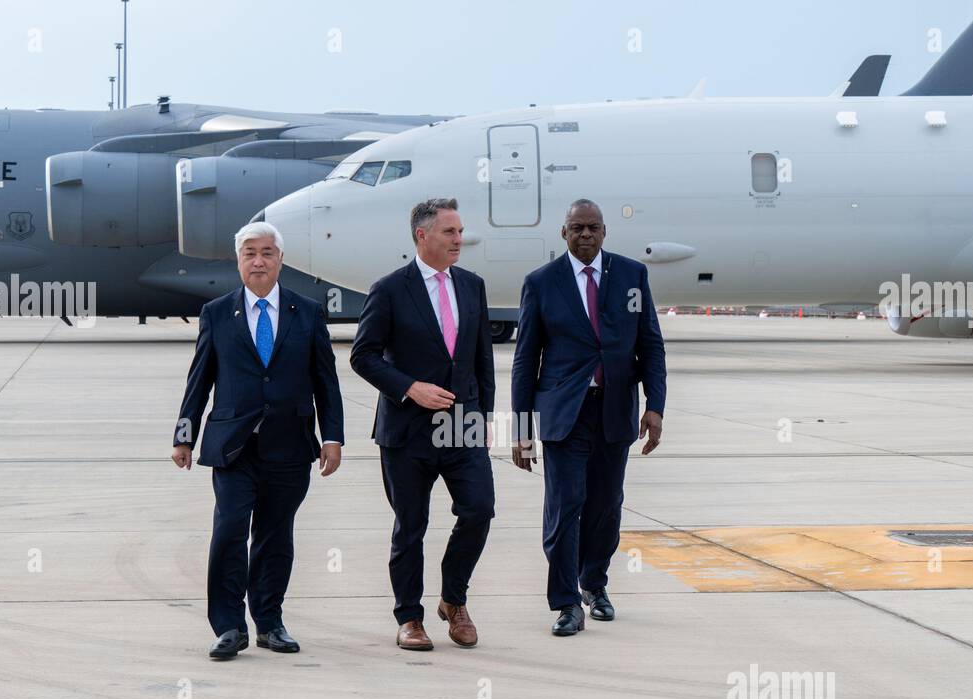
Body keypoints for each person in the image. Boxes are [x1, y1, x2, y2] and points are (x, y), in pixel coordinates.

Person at [171, 222, 343, 660]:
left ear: (280, 259)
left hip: (290, 444)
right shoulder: (216, 313)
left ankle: (269, 622)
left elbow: (326, 380)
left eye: (267, 252)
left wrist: (334, 436)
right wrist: (184, 435)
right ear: (238, 260)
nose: (259, 261)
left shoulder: (307, 312)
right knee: (229, 531)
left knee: (275, 536)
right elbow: (200, 380)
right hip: (233, 445)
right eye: (250, 253)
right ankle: (228, 626)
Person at [511, 199, 667, 635]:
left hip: (615, 411)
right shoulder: (541, 283)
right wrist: (522, 428)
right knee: (565, 507)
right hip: (564, 414)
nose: (585, 235)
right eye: (576, 227)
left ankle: (594, 585)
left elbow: (650, 344)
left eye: (593, 227)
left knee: (605, 508)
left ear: (604, 232)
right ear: (563, 233)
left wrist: (655, 405)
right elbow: (526, 360)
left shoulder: (632, 276)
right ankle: (565, 603)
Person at [351, 198, 495, 651]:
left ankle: (454, 600)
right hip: (407, 429)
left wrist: (485, 418)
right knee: (410, 525)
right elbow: (363, 356)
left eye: (460, 231)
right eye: (450, 232)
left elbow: (481, 361)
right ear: (422, 236)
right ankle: (410, 617)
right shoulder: (390, 289)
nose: (459, 240)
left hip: (463, 425)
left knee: (479, 510)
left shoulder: (472, 286)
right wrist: (409, 387)